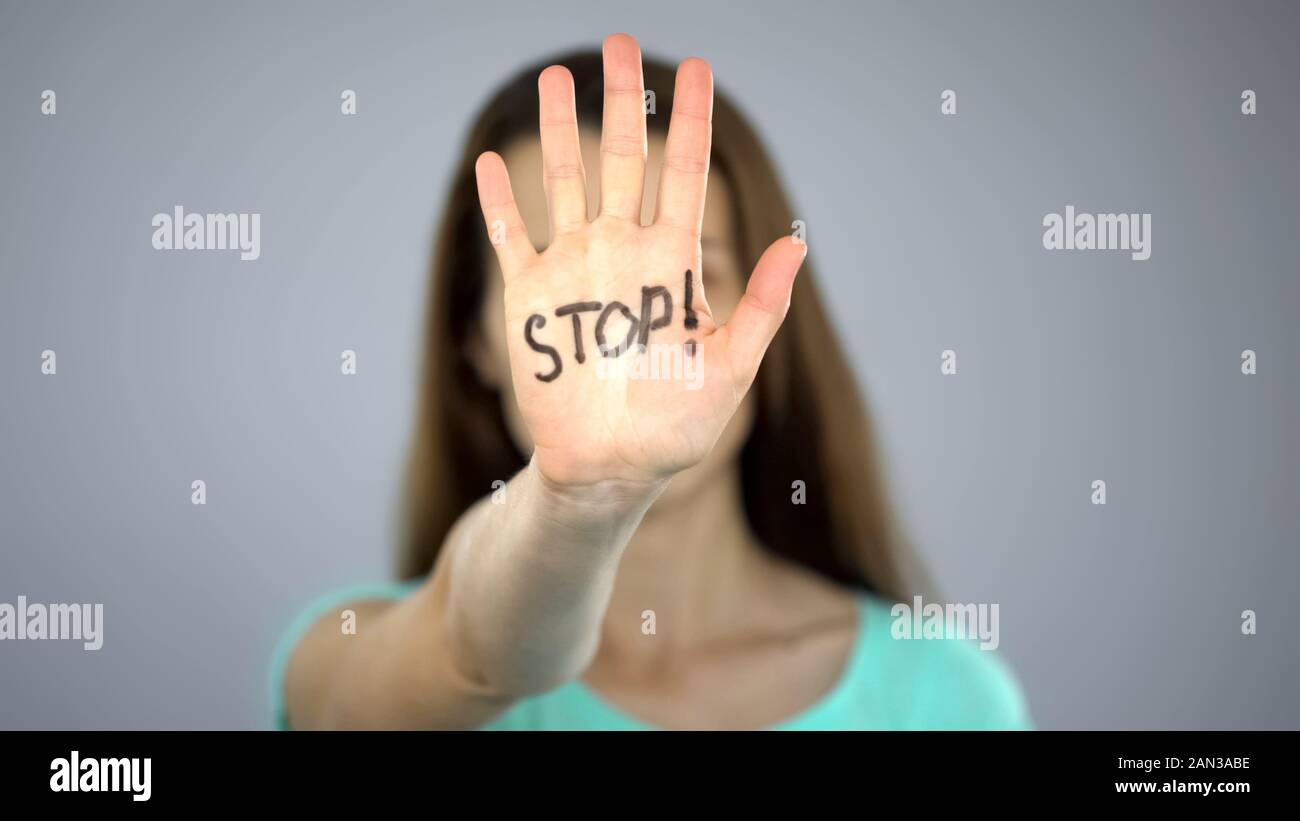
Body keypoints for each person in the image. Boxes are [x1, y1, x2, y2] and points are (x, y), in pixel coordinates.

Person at [272, 34, 1030, 730]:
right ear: (474, 345)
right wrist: (578, 497)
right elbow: (465, 652)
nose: (626, 335)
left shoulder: (948, 695)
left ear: (772, 319)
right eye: (558, 279)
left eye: (683, 276)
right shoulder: (342, 657)